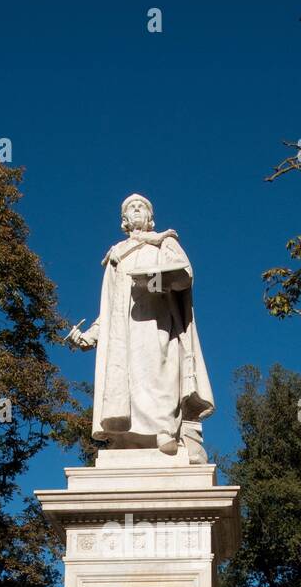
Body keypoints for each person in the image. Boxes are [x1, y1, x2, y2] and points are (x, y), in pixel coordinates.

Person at [67, 194, 214, 462]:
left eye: (141, 207)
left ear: (150, 218)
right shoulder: (116, 256)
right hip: (123, 334)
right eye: (130, 209)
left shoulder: (163, 243)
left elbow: (185, 276)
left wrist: (153, 280)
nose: (136, 211)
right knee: (126, 383)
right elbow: (110, 309)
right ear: (124, 220)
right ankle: (126, 439)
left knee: (159, 372)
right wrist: (89, 337)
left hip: (157, 323)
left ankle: (165, 430)